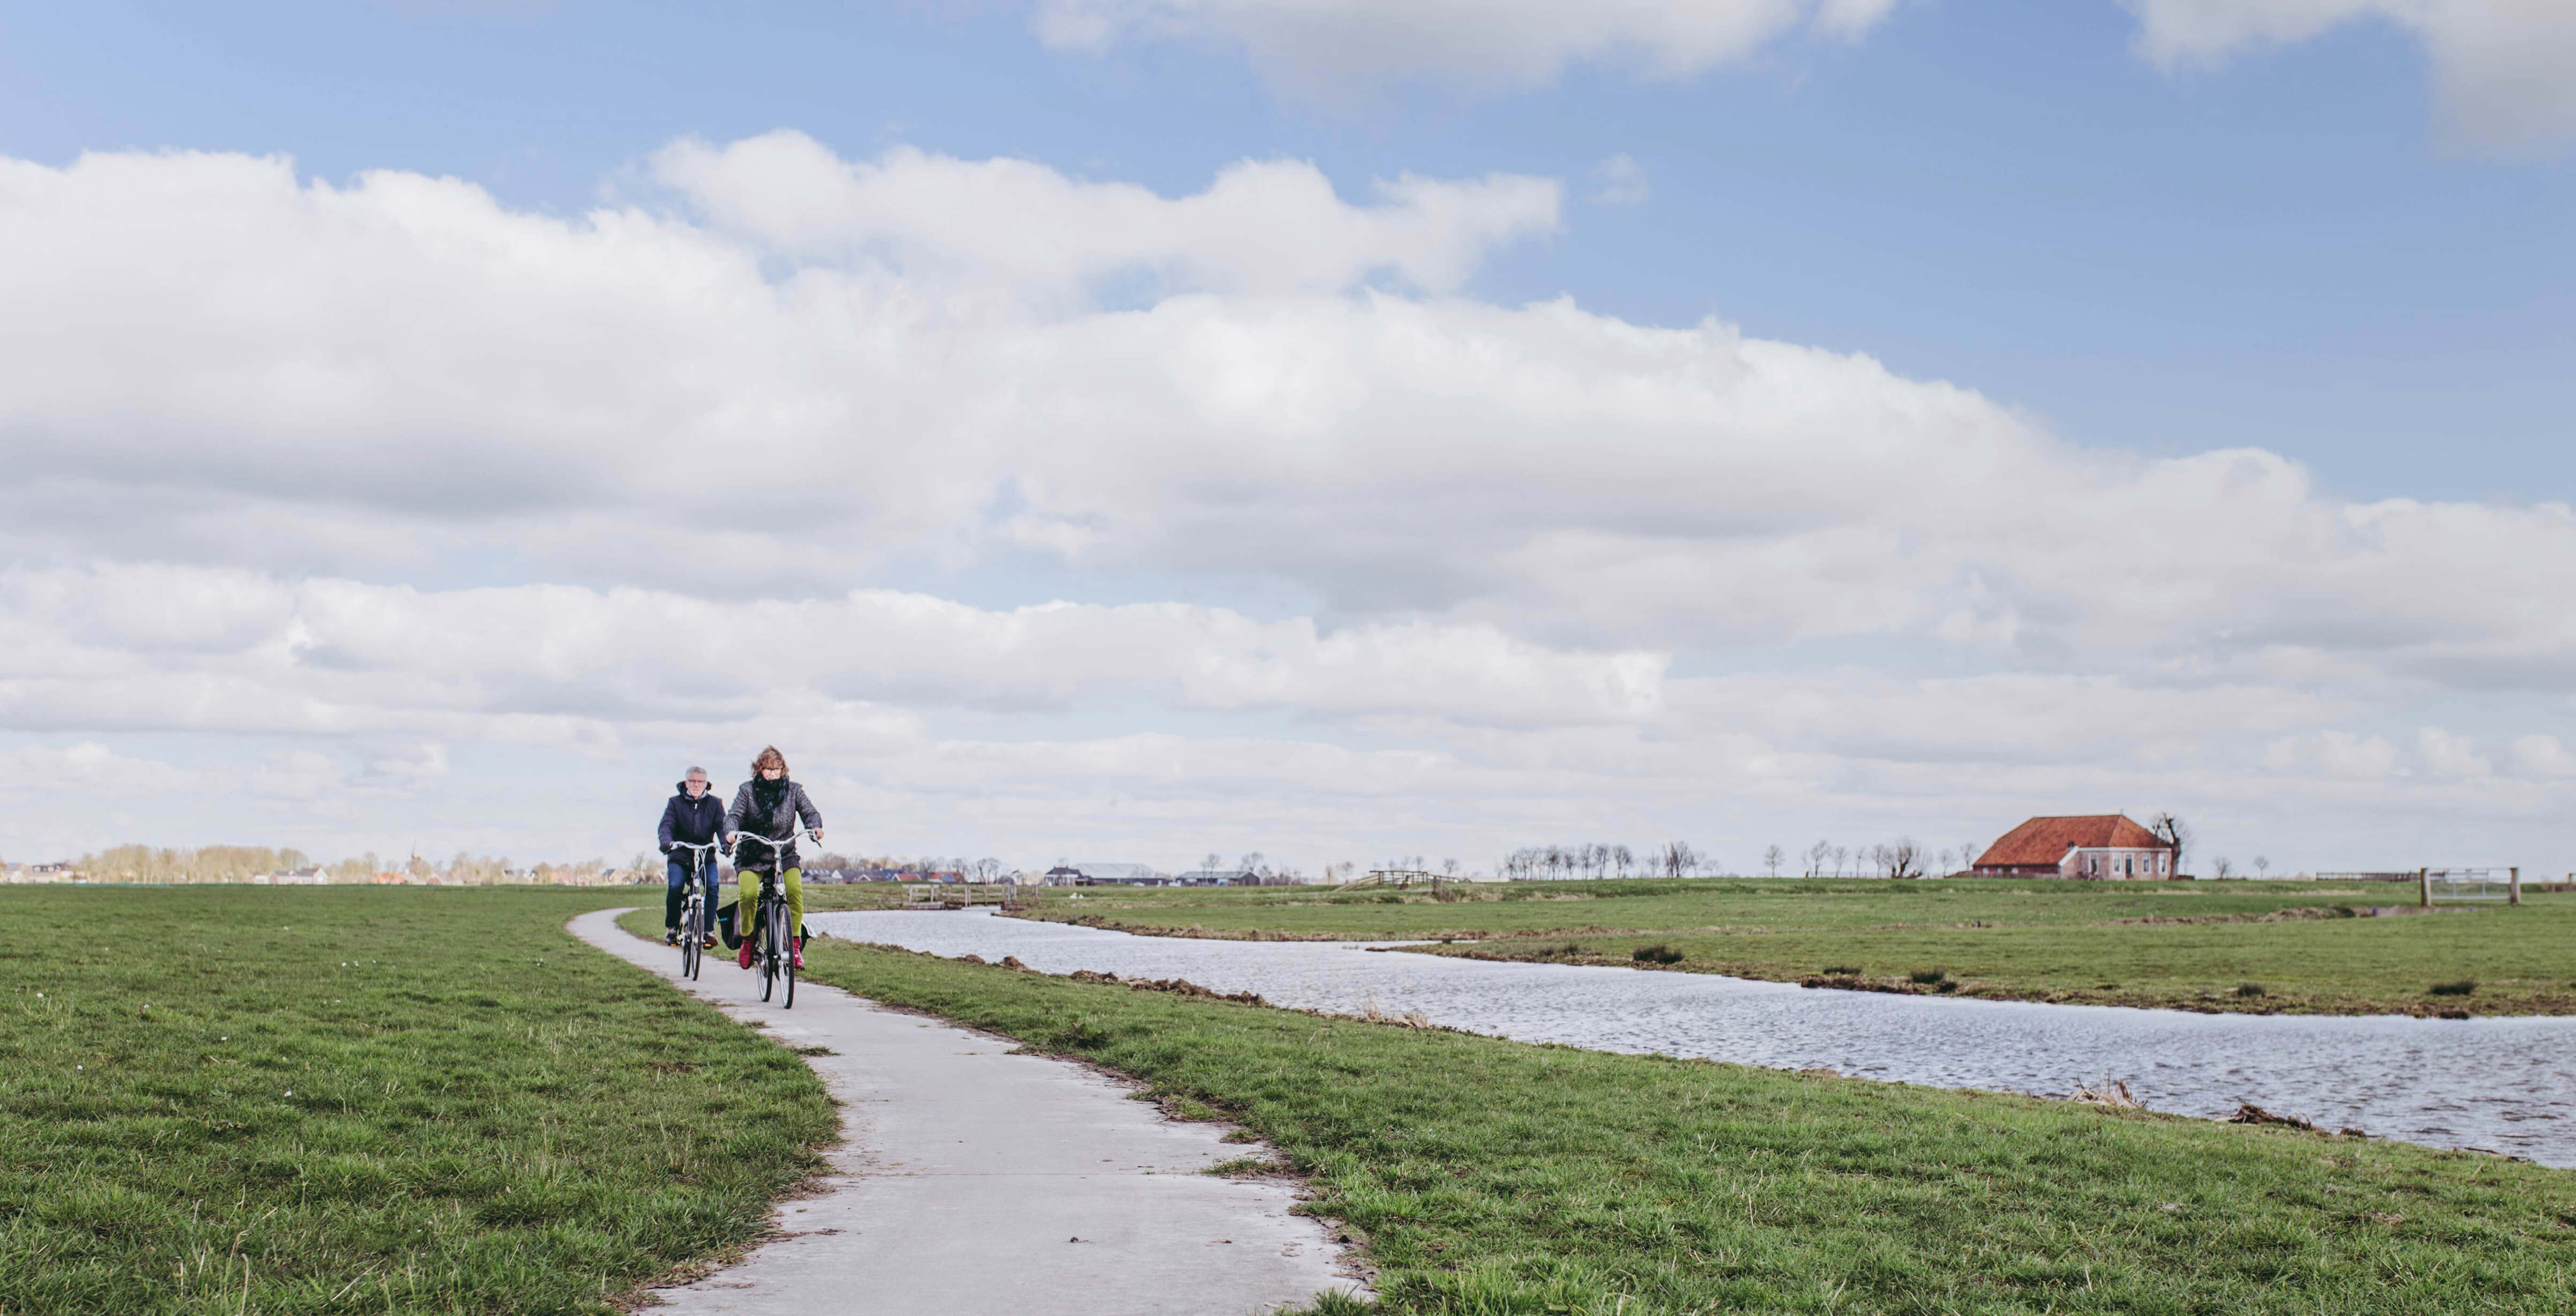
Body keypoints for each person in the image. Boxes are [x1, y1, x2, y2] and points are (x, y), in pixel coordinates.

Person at [724, 746, 823, 970]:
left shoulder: (794, 791)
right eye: (767, 769)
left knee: (795, 891)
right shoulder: (747, 791)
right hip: (752, 854)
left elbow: (809, 812)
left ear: (783, 770)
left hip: (784, 853)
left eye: (776, 770)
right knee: (749, 894)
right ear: (759, 770)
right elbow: (734, 816)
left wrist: (815, 826)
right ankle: (749, 939)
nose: (771, 774)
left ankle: (795, 945)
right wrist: (731, 832)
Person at [657, 766, 732, 947]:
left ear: (706, 784)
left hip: (706, 855)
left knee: (713, 885)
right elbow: (666, 825)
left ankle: (708, 931)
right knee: (675, 886)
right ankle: (673, 928)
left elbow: (722, 827)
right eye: (692, 781)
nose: (696, 785)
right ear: (686, 783)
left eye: (700, 782)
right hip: (680, 855)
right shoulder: (675, 803)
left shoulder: (715, 803)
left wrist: (726, 844)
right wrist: (667, 842)